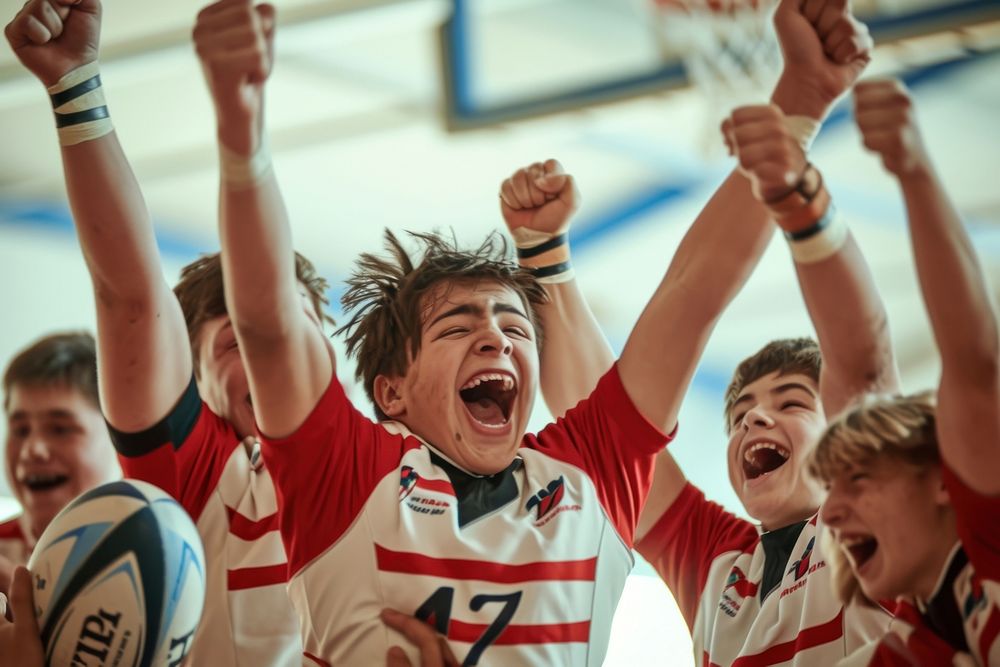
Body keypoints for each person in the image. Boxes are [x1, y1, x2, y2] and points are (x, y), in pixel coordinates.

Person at [190, 0, 733, 660]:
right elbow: (269, 324)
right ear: (390, 392)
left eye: (514, 325)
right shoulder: (349, 470)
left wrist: (799, 111)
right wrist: (242, 137)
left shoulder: (589, 468)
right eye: (457, 324)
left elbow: (691, 297)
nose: (497, 338)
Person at [499, 2, 902, 664]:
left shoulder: (889, 522)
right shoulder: (716, 562)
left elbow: (866, 358)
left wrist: (799, 115)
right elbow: (605, 418)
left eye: (791, 402)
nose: (753, 420)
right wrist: (545, 259)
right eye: (740, 412)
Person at [2, 1, 326, 663]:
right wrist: (74, 89)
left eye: (289, 331)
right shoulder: (203, 474)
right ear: (193, 381)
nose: (273, 353)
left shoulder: (400, 466)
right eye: (240, 342)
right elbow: (129, 293)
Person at [809, 79, 1000, 666]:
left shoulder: (987, 530)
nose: (831, 514)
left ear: (946, 479)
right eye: (833, 488)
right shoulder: (919, 637)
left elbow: (972, 361)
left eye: (860, 480)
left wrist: (914, 170)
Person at [1, 332, 120, 595]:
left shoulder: (145, 554)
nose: (33, 450)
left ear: (116, 435)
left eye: (60, 428)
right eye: (20, 430)